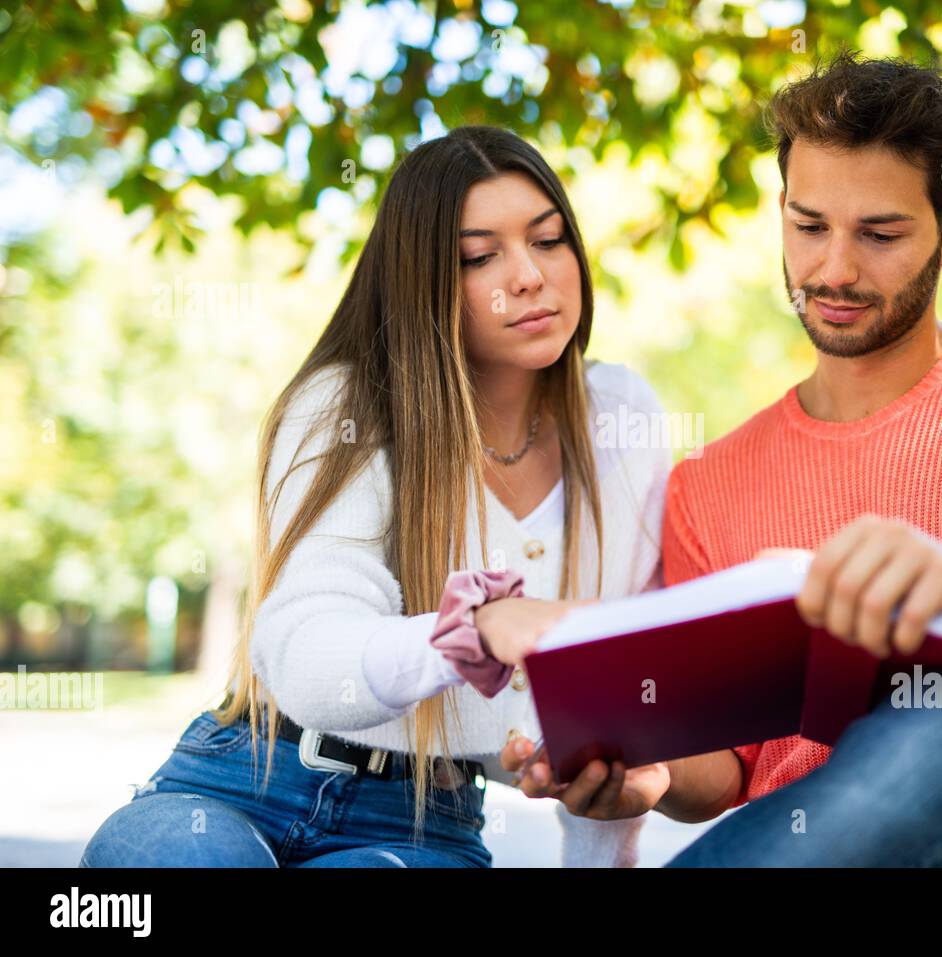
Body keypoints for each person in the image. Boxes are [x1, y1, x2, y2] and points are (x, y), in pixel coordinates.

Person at [500, 53, 942, 868]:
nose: (835, 269)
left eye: (880, 234)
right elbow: (732, 762)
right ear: (781, 212)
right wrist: (648, 770)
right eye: (810, 227)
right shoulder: (711, 483)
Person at [80, 125, 669, 868]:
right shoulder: (345, 404)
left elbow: (619, 696)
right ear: (424, 280)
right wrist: (475, 629)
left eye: (548, 241)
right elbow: (309, 652)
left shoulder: (622, 416)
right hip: (243, 779)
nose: (527, 275)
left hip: (423, 821)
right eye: (479, 256)